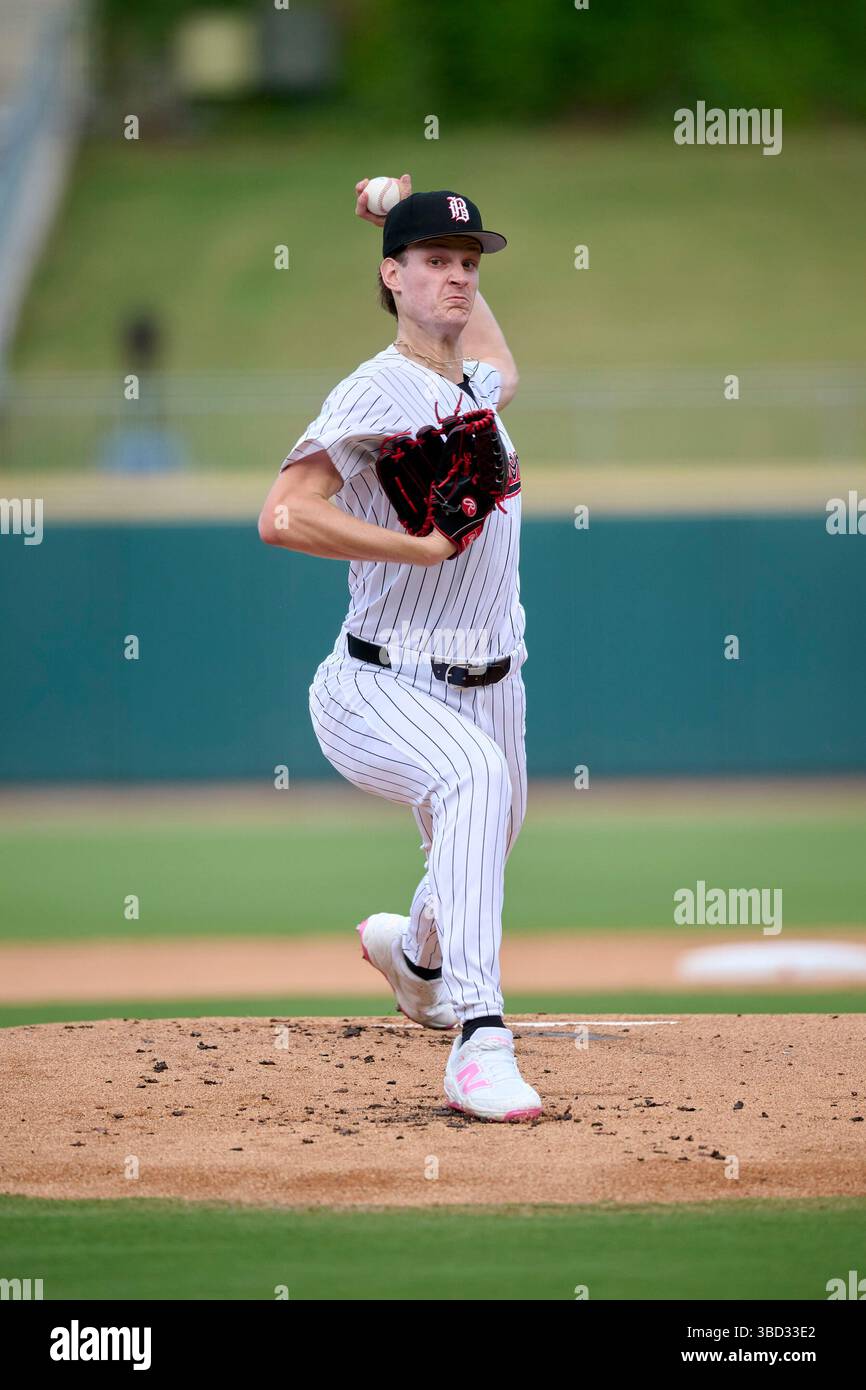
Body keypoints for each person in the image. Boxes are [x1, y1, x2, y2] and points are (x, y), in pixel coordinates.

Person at [258, 176, 541, 1122]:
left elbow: (498, 355)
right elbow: (285, 514)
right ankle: (479, 1043)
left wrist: (407, 217)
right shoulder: (375, 388)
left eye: (467, 263)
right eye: (434, 263)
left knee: (486, 835)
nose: (457, 278)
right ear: (393, 277)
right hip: (380, 676)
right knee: (471, 783)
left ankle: (417, 963)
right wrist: (413, 545)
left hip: (494, 677)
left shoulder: (471, 384)